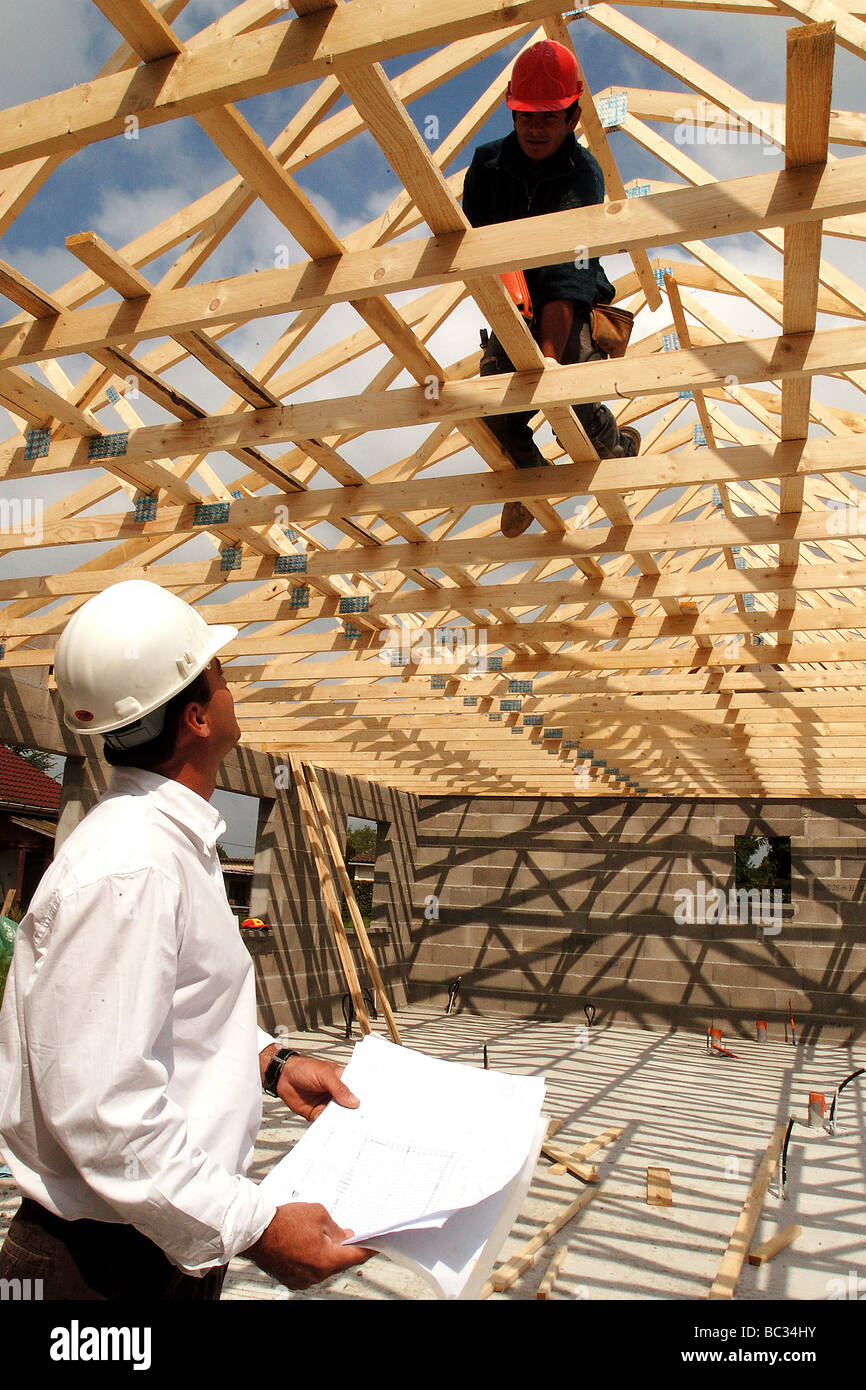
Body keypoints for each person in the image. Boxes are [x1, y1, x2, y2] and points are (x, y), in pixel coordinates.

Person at [0, 580, 372, 1299]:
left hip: (150, 1247)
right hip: (102, 1271)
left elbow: (158, 1016)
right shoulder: (132, 867)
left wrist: (266, 1061)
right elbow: (103, 1108)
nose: (235, 690)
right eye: (221, 675)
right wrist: (257, 1226)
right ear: (198, 717)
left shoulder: (167, 848)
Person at [463, 39, 640, 538]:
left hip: (567, 297)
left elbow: (566, 272)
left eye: (548, 117)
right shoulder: (488, 166)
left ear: (573, 116)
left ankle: (619, 448)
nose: (535, 128)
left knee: (572, 398)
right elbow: (475, 247)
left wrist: (547, 361)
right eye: (525, 117)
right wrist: (509, 317)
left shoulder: (582, 173)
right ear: (513, 113)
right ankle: (529, 479)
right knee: (495, 405)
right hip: (512, 298)